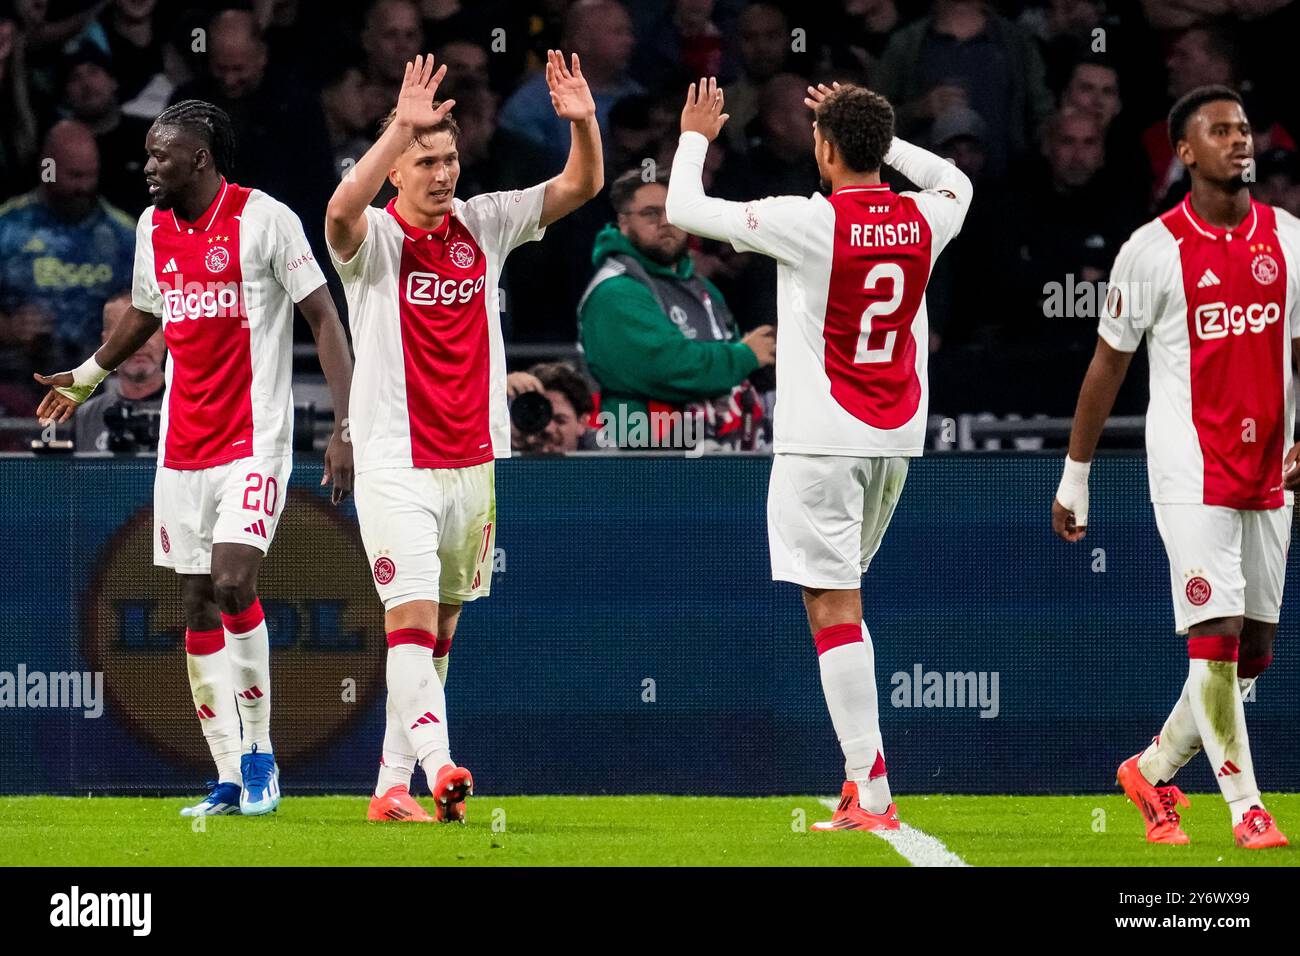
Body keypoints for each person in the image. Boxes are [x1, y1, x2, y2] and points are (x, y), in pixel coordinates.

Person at [33, 99, 355, 818]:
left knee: (234, 580)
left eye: (161, 154)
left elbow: (324, 317)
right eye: (148, 153)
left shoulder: (266, 219)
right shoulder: (152, 227)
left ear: (200, 159)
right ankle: (227, 778)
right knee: (194, 601)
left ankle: (262, 754)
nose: (149, 166)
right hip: (182, 449)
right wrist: (89, 374)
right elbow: (149, 309)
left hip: (254, 439)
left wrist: (347, 425)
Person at [666, 78, 970, 830]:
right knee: (845, 595)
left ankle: (872, 791)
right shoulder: (927, 216)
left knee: (830, 603)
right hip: (896, 438)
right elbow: (955, 178)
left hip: (821, 439)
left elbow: (682, 210)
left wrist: (694, 136)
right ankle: (859, 778)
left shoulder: (807, 220)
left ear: (824, 150)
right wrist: (878, 133)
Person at [324, 51, 602, 824]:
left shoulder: (485, 223)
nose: (443, 173)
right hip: (395, 463)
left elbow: (582, 186)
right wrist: (396, 129)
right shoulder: (374, 240)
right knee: (409, 623)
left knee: (439, 633)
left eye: (449, 157)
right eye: (425, 160)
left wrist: (581, 123)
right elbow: (339, 215)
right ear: (396, 172)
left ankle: (389, 787)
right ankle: (441, 765)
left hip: (473, 465)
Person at [1053, 85, 1296, 850]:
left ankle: (1152, 770)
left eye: (1244, 129)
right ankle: (1246, 807)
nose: (1240, 141)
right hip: (1190, 467)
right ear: (1184, 152)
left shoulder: (1289, 238)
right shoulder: (1151, 250)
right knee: (1215, 633)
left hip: (1270, 468)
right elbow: (1106, 366)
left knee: (1253, 650)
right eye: (1220, 132)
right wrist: (1075, 473)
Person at [579, 169, 773, 450]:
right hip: (642, 456)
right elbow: (666, 367)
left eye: (674, 212)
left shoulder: (700, 286)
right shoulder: (615, 291)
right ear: (623, 222)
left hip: (708, 450)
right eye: (650, 213)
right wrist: (743, 356)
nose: (666, 222)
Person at [0, 120, 134, 364]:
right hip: (16, 377)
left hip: (102, 379)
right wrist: (8, 329)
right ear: (47, 169)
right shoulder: (7, 228)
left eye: (90, 175)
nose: (83, 186)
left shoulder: (125, 235)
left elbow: (155, 312)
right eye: (74, 175)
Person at [74, 290, 165, 452]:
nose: (139, 343)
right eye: (125, 333)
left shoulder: (193, 407)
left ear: (165, 335)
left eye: (148, 331)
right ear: (106, 343)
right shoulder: (86, 417)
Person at [508, 362, 595, 454]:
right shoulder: (506, 443)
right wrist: (497, 391)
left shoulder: (604, 457)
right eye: (537, 418)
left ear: (582, 422)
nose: (547, 429)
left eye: (560, 420)